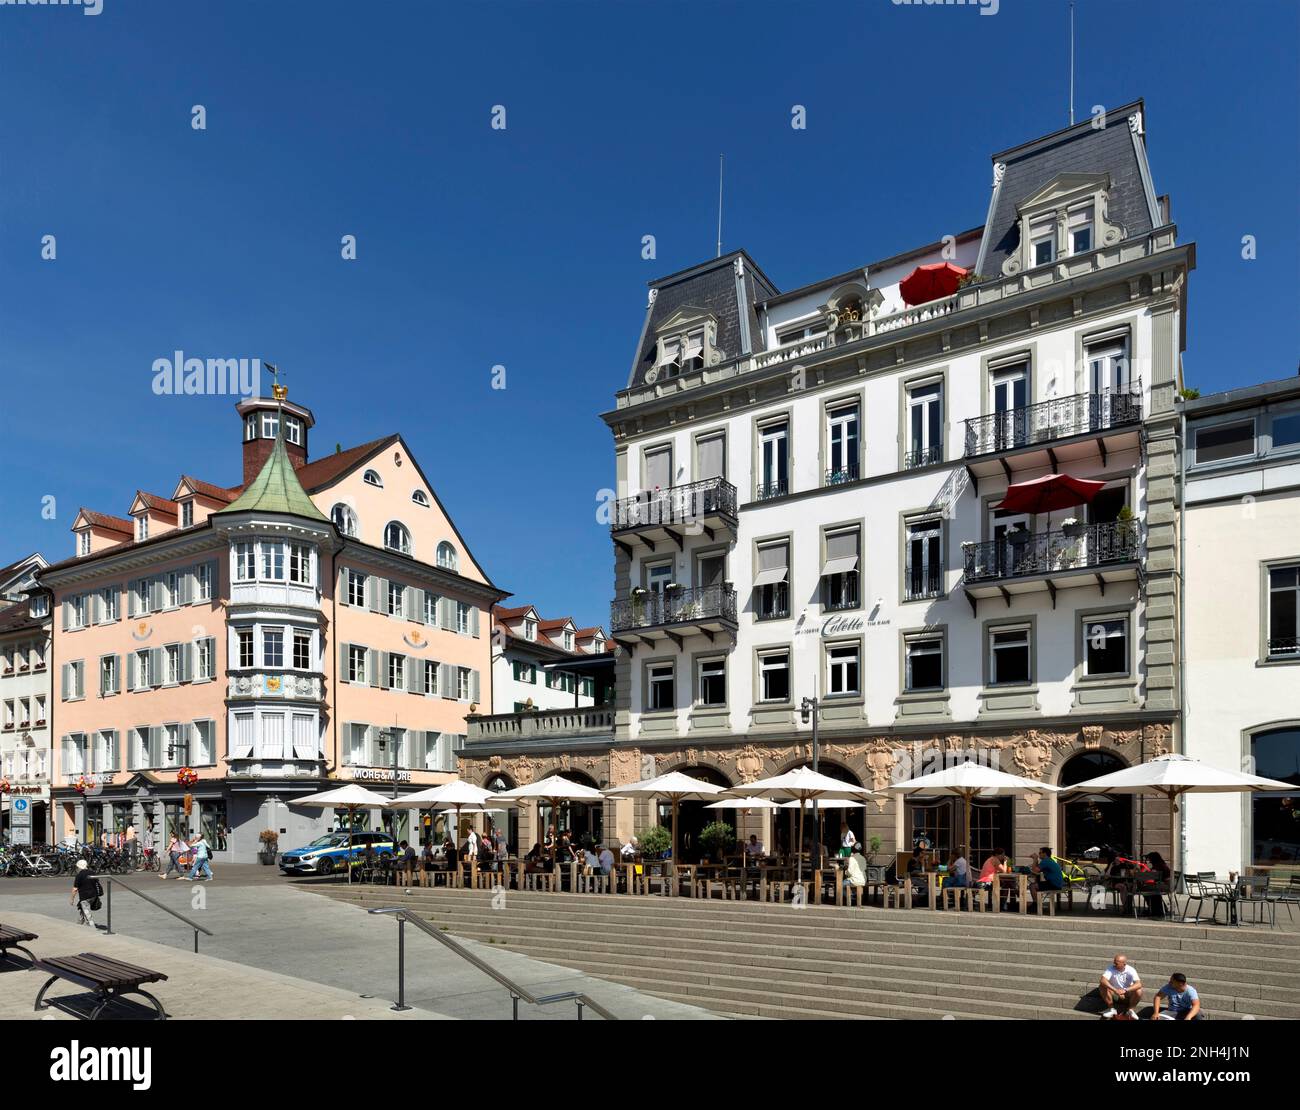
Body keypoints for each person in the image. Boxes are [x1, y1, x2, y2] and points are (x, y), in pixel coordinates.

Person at [1099, 953, 1143, 1018]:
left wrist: (1125, 990)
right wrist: (1115, 990)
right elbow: (1102, 980)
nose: (1114, 964)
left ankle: (1130, 1010)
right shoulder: (1111, 968)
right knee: (1102, 986)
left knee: (1139, 990)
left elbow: (1139, 984)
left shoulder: (1131, 970)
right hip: (1115, 993)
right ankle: (1112, 1009)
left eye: (1116, 963)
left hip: (1128, 994)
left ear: (1124, 964)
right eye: (1114, 962)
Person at [70, 859, 100, 927]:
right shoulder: (92, 872)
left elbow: (75, 889)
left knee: (87, 914)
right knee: (83, 909)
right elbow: (96, 883)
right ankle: (79, 924)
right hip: (94, 895)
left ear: (79, 867)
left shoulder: (79, 875)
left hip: (85, 897)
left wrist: (72, 899)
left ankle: (92, 928)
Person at [1142, 852, 1171, 919]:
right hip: (1164, 885)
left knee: (1146, 890)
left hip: (1164, 886)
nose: (1149, 861)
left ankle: (1154, 909)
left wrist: (1144, 873)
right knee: (1149, 888)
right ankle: (1159, 908)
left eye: (1149, 859)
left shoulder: (1159, 865)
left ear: (1153, 859)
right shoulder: (1160, 864)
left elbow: (1152, 875)